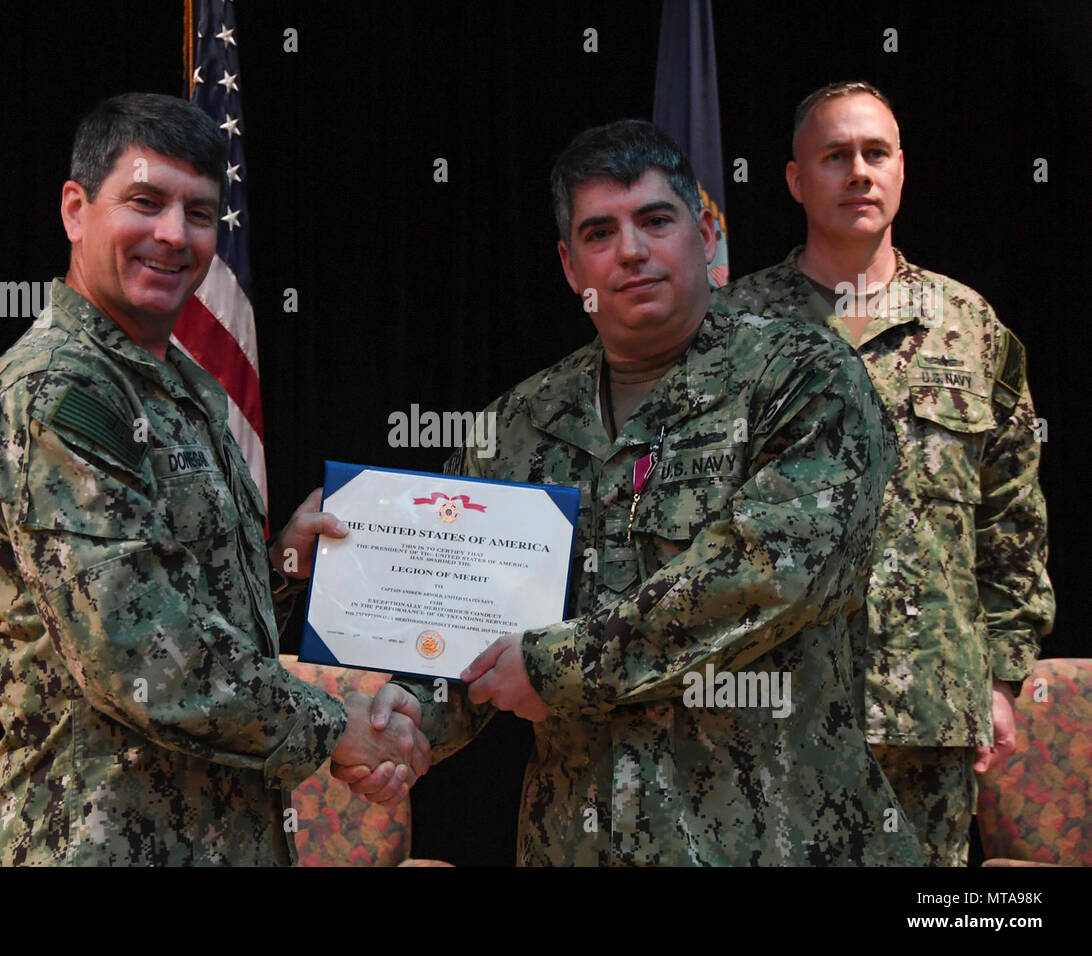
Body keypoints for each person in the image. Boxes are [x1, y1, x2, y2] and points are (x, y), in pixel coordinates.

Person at [337, 119, 924, 866]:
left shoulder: (804, 379)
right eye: (599, 233)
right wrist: (410, 716)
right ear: (568, 264)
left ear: (705, 233)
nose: (632, 251)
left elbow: (767, 579)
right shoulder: (515, 426)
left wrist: (554, 666)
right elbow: (463, 622)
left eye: (655, 220)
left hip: (778, 837)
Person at [0, 92, 428, 866]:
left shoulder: (178, 384)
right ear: (76, 210)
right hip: (105, 841)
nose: (173, 235)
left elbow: (186, 598)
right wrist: (337, 726)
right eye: (145, 202)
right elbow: (137, 650)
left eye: (199, 213)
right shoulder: (56, 394)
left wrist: (282, 565)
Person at [716, 81, 1055, 865]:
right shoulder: (734, 330)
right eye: (835, 156)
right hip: (771, 717)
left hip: (928, 715)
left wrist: (1001, 676)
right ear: (797, 180)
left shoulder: (971, 328)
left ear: (902, 169)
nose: (858, 173)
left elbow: (1011, 519)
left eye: (875, 154)